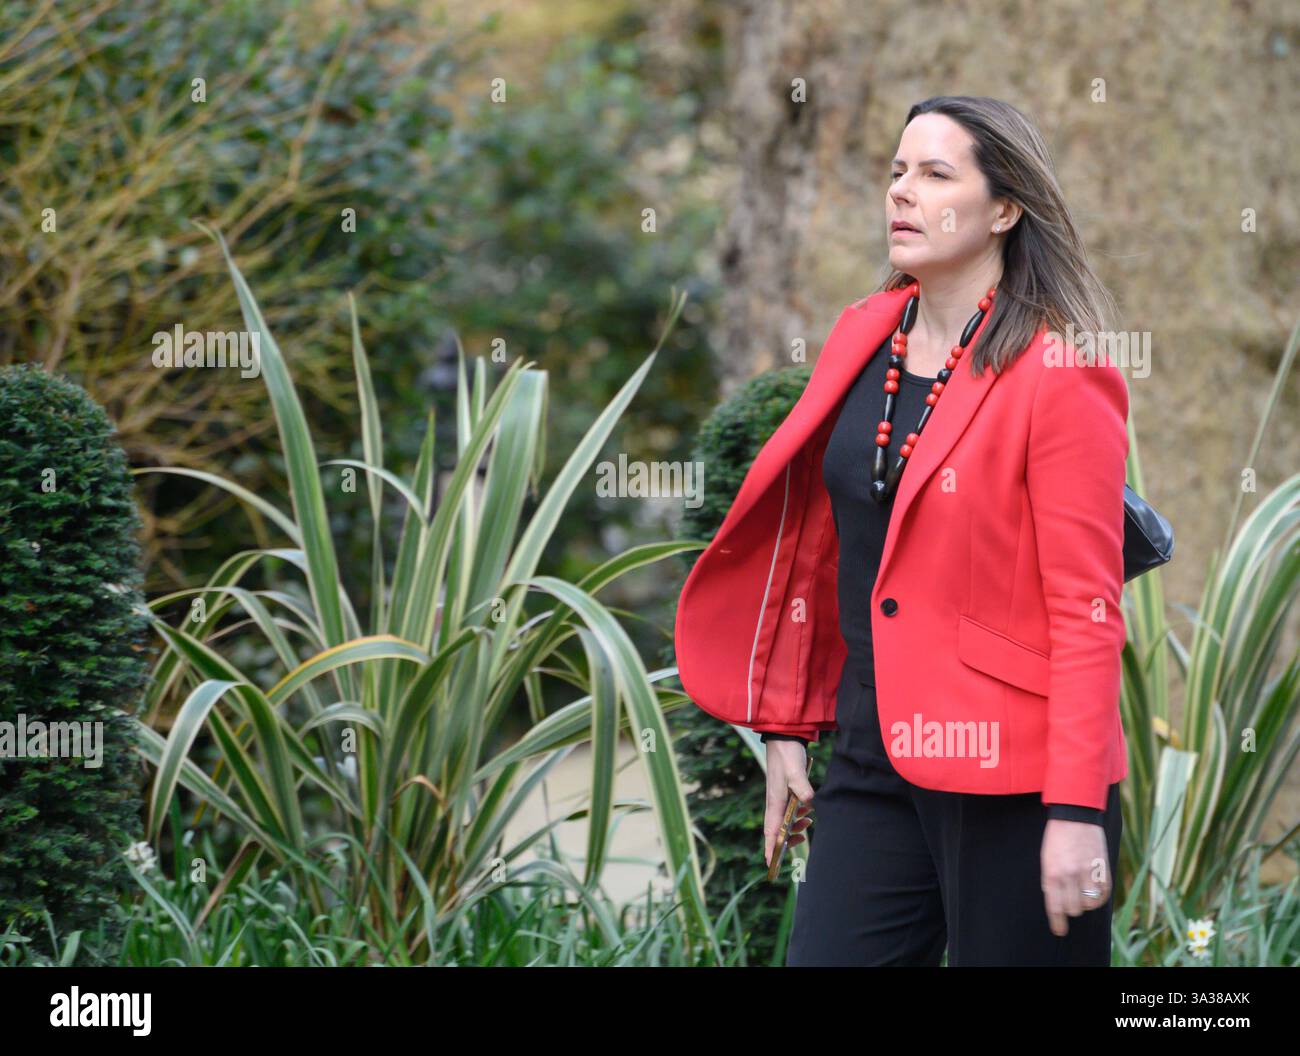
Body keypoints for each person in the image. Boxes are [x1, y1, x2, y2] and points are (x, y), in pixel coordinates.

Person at [673, 95, 1129, 966]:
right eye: (895, 173)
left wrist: (1074, 812)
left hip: (1014, 775)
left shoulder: (1061, 372)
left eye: (934, 174)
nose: (902, 194)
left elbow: (1087, 607)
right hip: (871, 754)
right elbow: (821, 541)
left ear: (1004, 209)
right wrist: (786, 727)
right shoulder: (862, 334)